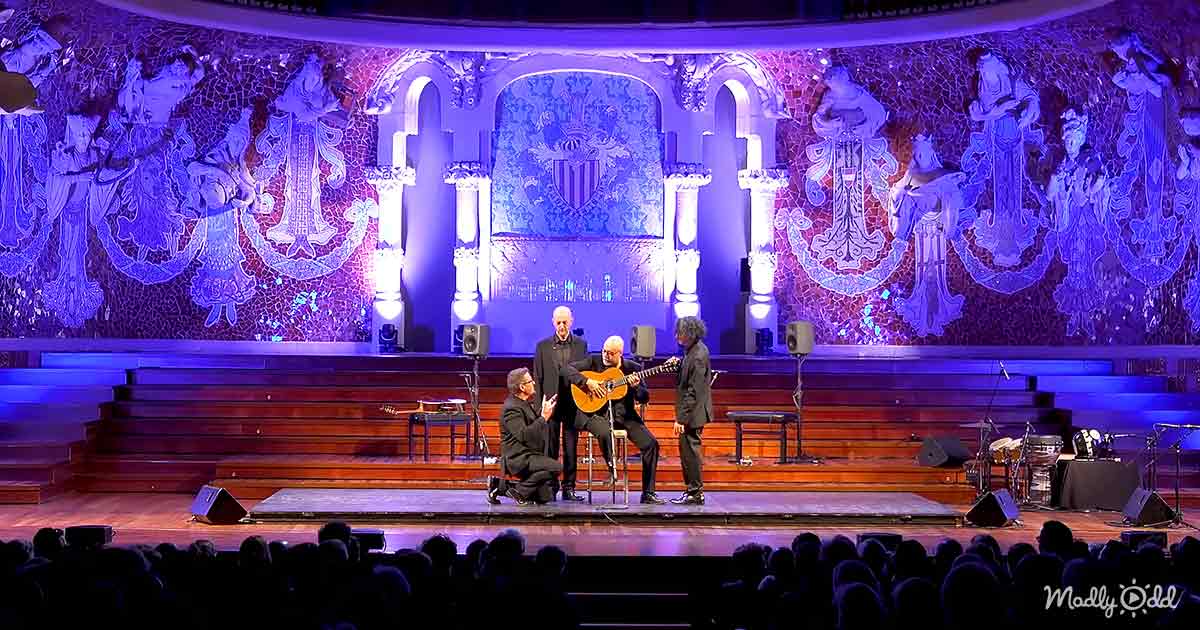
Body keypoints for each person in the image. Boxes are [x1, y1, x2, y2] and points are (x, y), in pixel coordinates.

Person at [562, 335, 666, 505]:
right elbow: (566, 370)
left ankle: (648, 492)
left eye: (610, 353)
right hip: (597, 414)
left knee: (651, 444)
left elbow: (644, 398)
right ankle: (612, 469)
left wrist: (636, 387)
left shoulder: (633, 368)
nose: (605, 355)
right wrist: (587, 381)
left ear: (620, 354)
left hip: (625, 417)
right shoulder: (594, 362)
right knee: (604, 431)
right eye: (604, 351)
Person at [533, 306, 589, 501]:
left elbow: (584, 375)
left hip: (573, 405)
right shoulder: (543, 346)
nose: (562, 326)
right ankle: (550, 486)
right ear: (553, 322)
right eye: (558, 322)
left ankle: (569, 488)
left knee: (571, 448)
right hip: (551, 405)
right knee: (550, 448)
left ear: (571, 321)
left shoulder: (581, 345)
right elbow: (537, 378)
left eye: (565, 322)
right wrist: (539, 409)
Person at [488, 368, 561, 505]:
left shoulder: (522, 403)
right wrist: (543, 418)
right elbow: (524, 435)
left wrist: (543, 412)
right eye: (530, 381)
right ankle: (519, 491)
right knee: (556, 467)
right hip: (518, 458)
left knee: (544, 497)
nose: (533, 382)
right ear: (522, 387)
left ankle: (499, 486)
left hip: (529, 454)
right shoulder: (512, 408)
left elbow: (531, 424)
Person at [671, 316, 712, 505]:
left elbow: (693, 391)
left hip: (693, 415)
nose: (677, 336)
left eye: (681, 332)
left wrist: (681, 418)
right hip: (690, 413)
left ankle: (695, 492)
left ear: (690, 333)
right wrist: (678, 364)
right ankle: (691, 490)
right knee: (686, 452)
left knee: (691, 453)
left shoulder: (697, 356)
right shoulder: (691, 351)